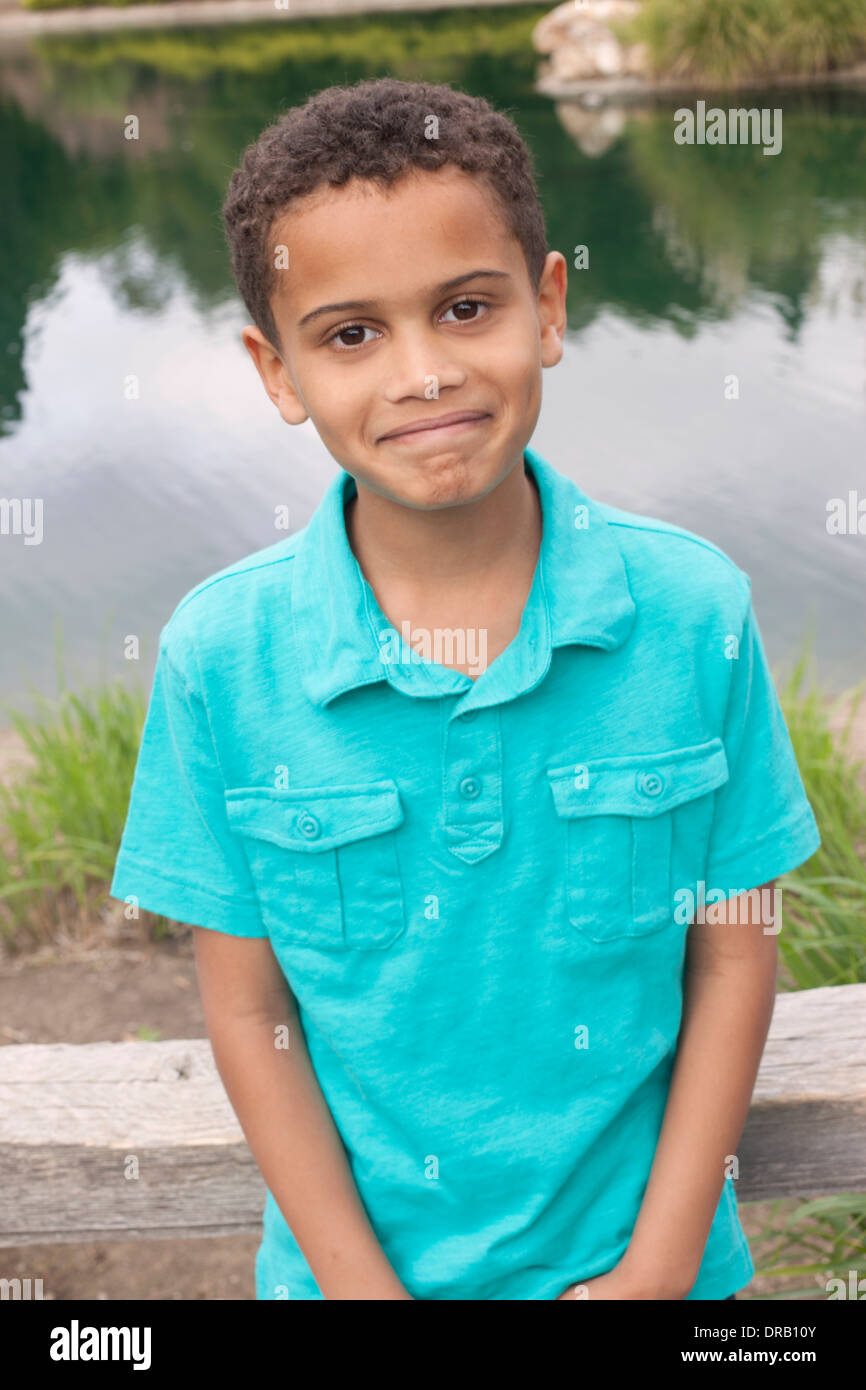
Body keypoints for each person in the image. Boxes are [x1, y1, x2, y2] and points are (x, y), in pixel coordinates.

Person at [110, 77, 821, 1301]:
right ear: (275, 372)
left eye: (464, 306)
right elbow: (246, 1012)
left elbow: (731, 956)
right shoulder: (219, 657)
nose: (424, 373)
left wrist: (651, 1278)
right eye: (348, 334)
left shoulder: (689, 613)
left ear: (545, 306)